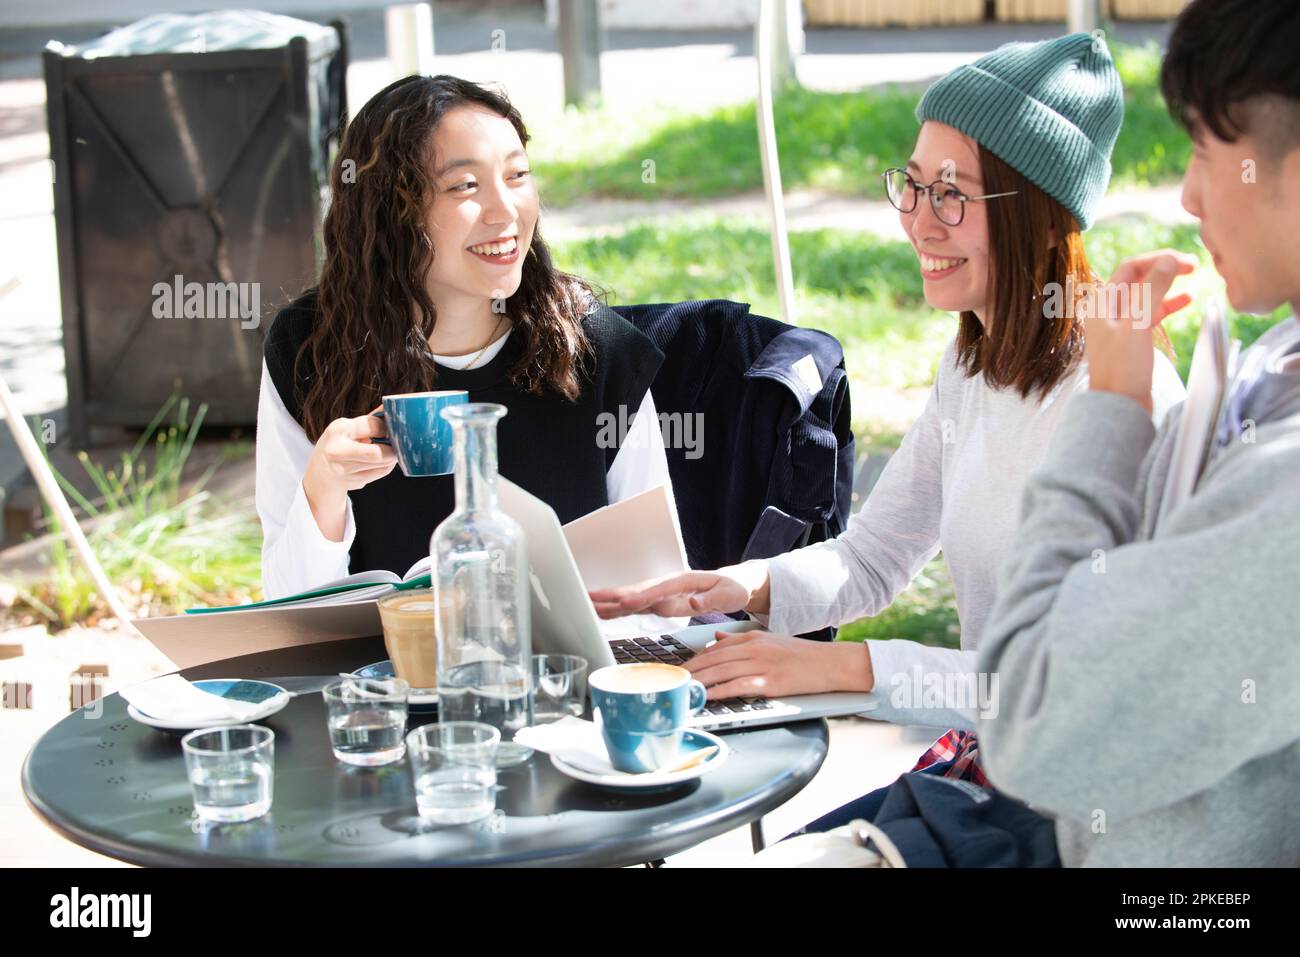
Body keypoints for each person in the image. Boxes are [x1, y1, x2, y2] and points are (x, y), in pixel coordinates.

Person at [591, 34, 1187, 779]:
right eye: (911, 184)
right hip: (1002, 763)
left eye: (953, 194)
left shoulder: (1120, 398)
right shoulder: (973, 361)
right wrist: (742, 585)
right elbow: (875, 556)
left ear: (1038, 211)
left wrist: (847, 669)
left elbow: (1074, 683)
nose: (919, 221)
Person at [975, 0, 1300, 866]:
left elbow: (1030, 716)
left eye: (1203, 149)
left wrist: (1113, 406)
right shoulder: (1272, 358)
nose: (1191, 195)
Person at [256, 75, 672, 599]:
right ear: (389, 213)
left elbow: (659, 595)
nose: (506, 212)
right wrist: (325, 486)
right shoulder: (309, 348)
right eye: (465, 186)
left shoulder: (597, 348)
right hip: (382, 673)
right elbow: (288, 607)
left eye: (517, 175)